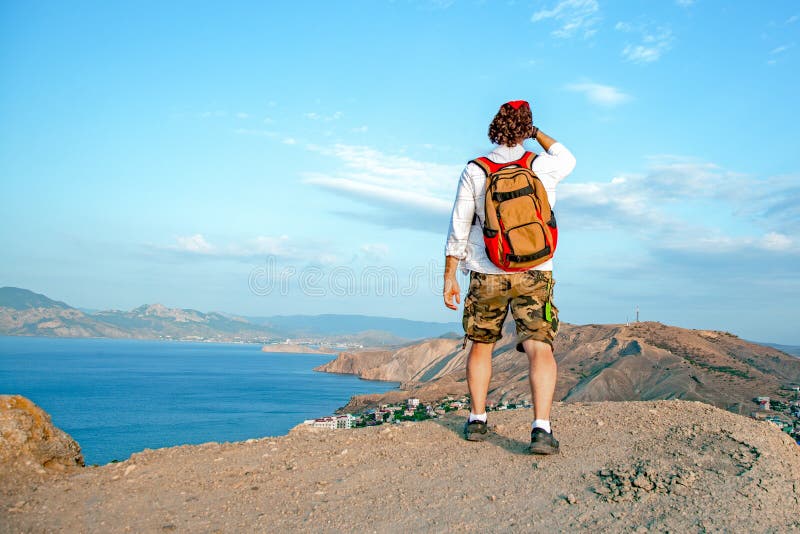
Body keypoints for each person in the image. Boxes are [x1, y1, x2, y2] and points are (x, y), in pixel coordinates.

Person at [443, 100, 576, 454]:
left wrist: (450, 276)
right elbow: (569, 158)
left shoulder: (476, 170)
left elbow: (459, 226)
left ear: (493, 127)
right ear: (525, 128)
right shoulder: (541, 166)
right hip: (535, 271)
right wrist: (536, 135)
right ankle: (542, 429)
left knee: (481, 344)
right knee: (539, 346)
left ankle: (477, 420)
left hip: (487, 273)